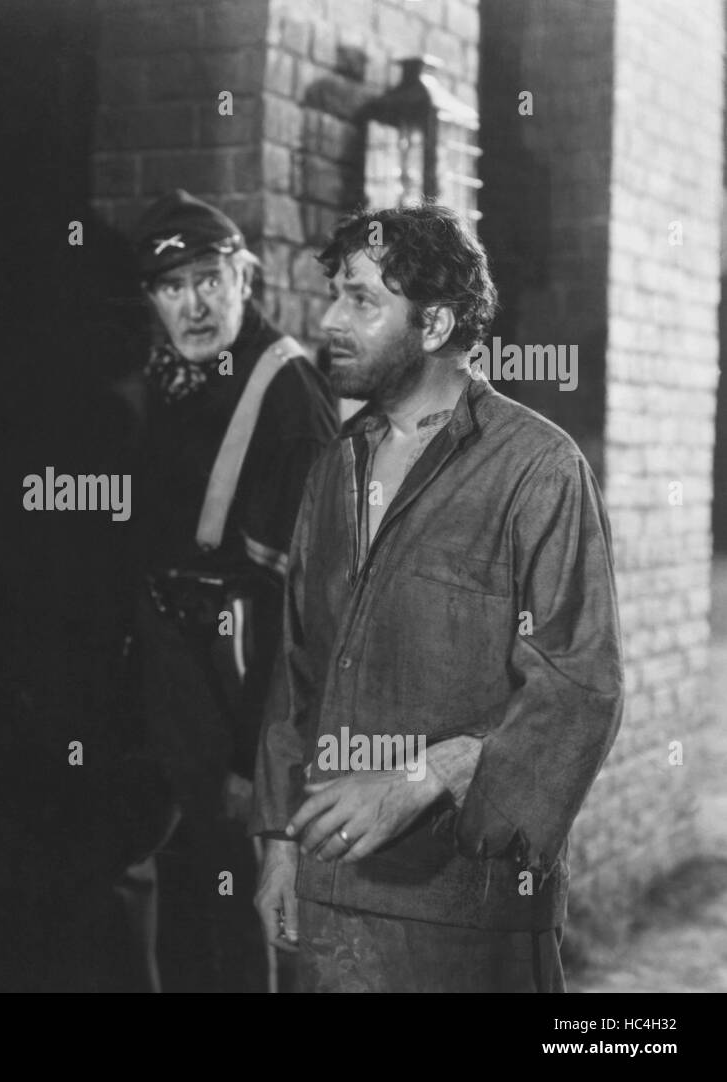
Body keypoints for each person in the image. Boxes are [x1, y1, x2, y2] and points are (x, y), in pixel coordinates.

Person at [251, 203, 623, 992]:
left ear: (434, 325)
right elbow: (295, 668)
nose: (329, 320)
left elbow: (579, 687)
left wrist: (421, 780)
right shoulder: (335, 465)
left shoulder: (537, 469)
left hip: (463, 910)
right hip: (334, 902)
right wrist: (282, 842)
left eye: (361, 300)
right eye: (335, 295)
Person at [112, 190, 337, 992]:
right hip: (167, 657)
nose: (195, 303)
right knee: (159, 860)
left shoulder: (288, 394)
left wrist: (257, 754)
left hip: (242, 670)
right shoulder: (165, 378)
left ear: (245, 276)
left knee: (240, 883)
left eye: (209, 278)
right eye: (172, 287)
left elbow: (309, 606)